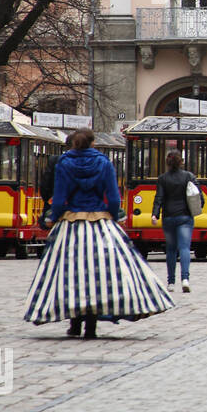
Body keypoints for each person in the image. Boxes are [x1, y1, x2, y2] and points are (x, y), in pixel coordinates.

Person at [23, 128, 173, 337]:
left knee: (70, 273)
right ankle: (91, 326)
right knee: (100, 273)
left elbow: (59, 198)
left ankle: (75, 322)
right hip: (99, 222)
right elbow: (112, 197)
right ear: (93, 143)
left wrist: (52, 216)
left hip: (71, 223)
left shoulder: (64, 164)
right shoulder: (103, 163)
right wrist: (116, 215)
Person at [151, 149, 198, 293]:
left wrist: (155, 214)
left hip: (168, 217)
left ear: (168, 163)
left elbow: (158, 198)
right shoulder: (189, 176)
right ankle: (185, 279)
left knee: (171, 249)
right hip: (185, 216)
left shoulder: (163, 179)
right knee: (184, 248)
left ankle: (171, 282)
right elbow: (198, 196)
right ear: (181, 162)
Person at [39, 133, 74, 204]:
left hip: (56, 204)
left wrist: (49, 200)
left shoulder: (55, 160)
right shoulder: (94, 162)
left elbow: (45, 183)